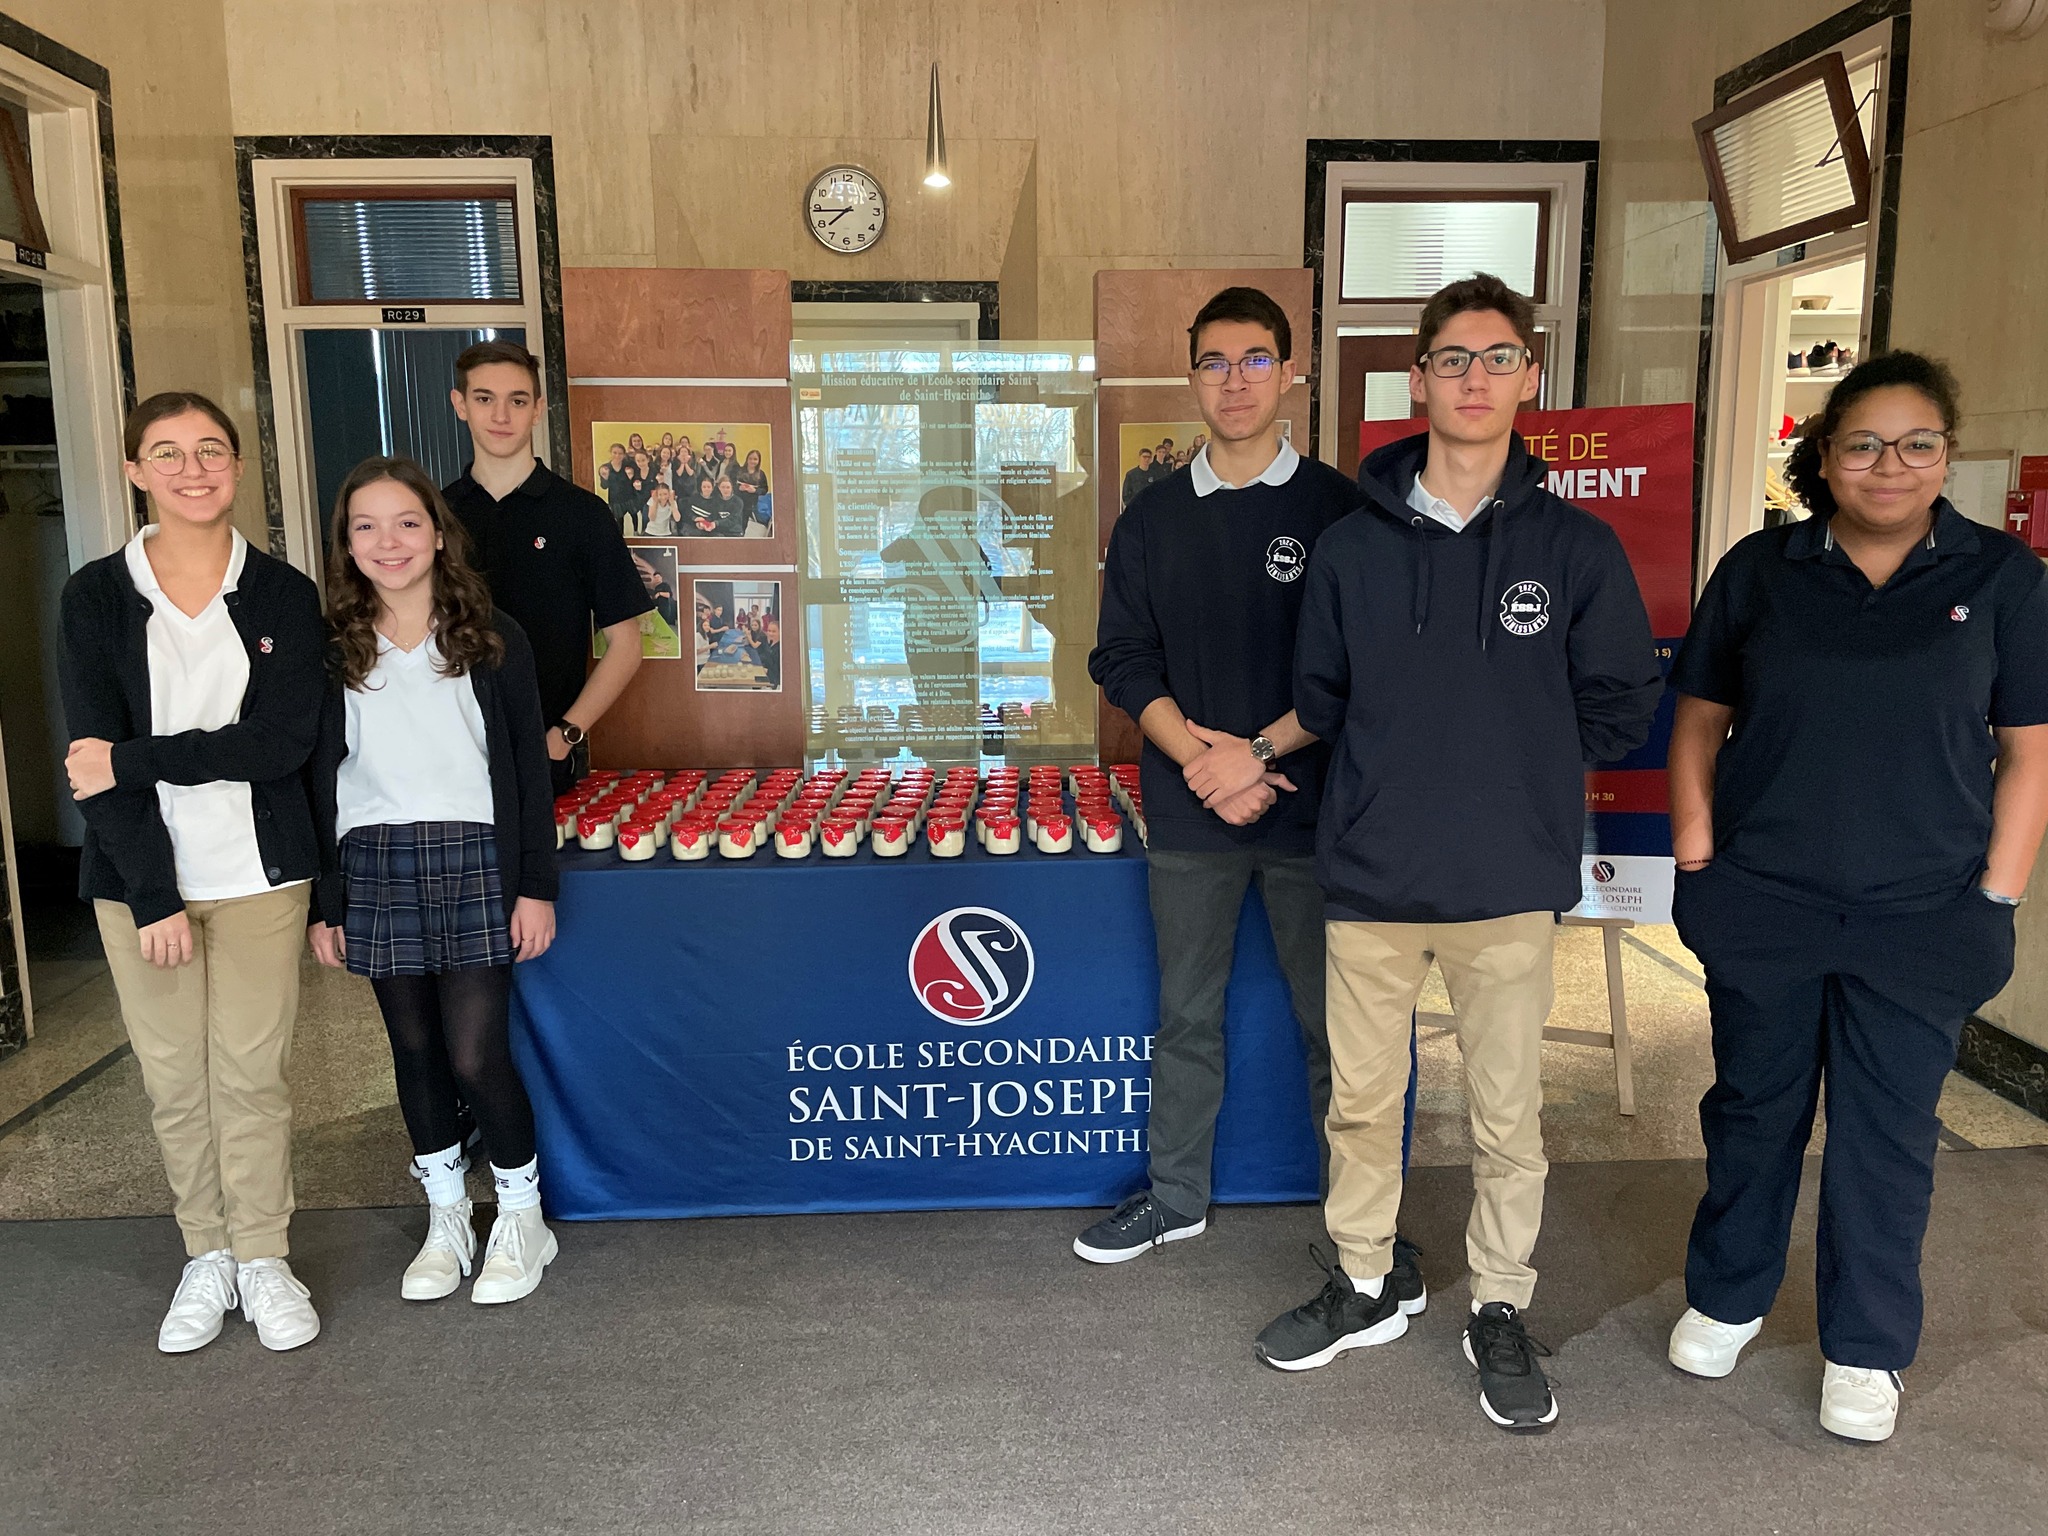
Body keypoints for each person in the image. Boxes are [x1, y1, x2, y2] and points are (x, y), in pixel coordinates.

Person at [1271, 273, 1661, 1433]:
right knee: (1360, 1104)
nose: (1473, 378)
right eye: (1451, 359)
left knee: (1505, 1116)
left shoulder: (1575, 547)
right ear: (1417, 380)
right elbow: (1320, 698)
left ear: (1528, 376)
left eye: (1496, 358)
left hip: (1504, 884)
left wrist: (1513, 769)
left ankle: (1498, 1302)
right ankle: (1361, 1280)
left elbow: (1620, 705)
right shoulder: (1349, 549)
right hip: (1371, 878)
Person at [1663, 352, 2048, 1444]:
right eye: (1864, 445)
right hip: (1764, 898)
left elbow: (2029, 751)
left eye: (1917, 444)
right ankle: (1728, 1294)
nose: (1890, 465)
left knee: (1887, 1134)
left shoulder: (2002, 578)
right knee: (1752, 1110)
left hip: (1922, 911)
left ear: (1946, 456)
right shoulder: (1761, 569)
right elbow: (1696, 721)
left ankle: (1866, 1347)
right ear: (1824, 458)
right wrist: (1695, 859)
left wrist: (1996, 895)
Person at [1082, 285, 1362, 1269]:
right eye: (1214, 362)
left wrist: (1259, 753)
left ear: (1291, 373)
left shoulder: (1339, 509)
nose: (1234, 380)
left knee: (1337, 1030)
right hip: (1192, 810)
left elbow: (1360, 668)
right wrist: (1204, 762)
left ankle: (1360, 1228)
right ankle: (1175, 1198)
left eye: (1254, 360)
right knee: (1186, 1018)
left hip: (1317, 815)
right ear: (1190, 377)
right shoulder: (1151, 516)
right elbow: (1121, 659)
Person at [58, 391, 327, 1354]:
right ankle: (206, 1254)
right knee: (176, 1081)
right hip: (139, 882)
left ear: (239, 466)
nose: (192, 468)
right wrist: (154, 895)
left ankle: (263, 1256)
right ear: (136, 471)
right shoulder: (94, 596)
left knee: (252, 1076)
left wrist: (137, 758)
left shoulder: (283, 593)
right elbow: (88, 759)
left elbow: (281, 742)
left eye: (211, 449)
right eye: (166, 453)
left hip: (261, 873)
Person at [307, 455, 563, 1305]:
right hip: (373, 859)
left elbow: (527, 770)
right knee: (412, 1049)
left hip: (477, 856)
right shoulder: (330, 648)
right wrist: (325, 902)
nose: (389, 542)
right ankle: (447, 1215)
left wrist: (536, 886)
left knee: (475, 1051)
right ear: (347, 544)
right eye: (366, 526)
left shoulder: (493, 637)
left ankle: (522, 1216)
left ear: (439, 535)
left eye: (407, 522)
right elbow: (315, 782)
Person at [441, 341, 650, 797]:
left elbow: (626, 645)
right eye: (484, 398)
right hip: (445, 761)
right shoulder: (434, 516)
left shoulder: (582, 515)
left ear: (538, 410)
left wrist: (565, 735)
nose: (501, 415)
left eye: (517, 401)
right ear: (460, 405)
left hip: (544, 761)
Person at [734, 448, 769, 531]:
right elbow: (731, 485)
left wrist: (755, 491)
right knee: (736, 524)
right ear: (747, 459)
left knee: (745, 526)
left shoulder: (761, 474)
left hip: (751, 505)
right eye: (750, 458)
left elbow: (765, 489)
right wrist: (738, 488)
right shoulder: (739, 470)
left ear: (759, 461)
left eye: (755, 459)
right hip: (737, 502)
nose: (752, 461)